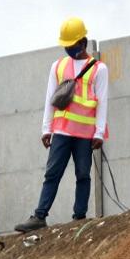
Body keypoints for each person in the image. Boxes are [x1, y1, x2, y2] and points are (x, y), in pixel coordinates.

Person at [14, 16, 110, 232]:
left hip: (85, 133)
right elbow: (50, 98)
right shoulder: (57, 66)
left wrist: (99, 133)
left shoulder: (99, 69)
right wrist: (46, 128)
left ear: (83, 42)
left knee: (83, 175)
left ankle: (80, 217)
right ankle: (39, 216)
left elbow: (102, 102)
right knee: (52, 173)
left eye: (72, 45)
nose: (68, 49)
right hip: (62, 130)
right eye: (66, 46)